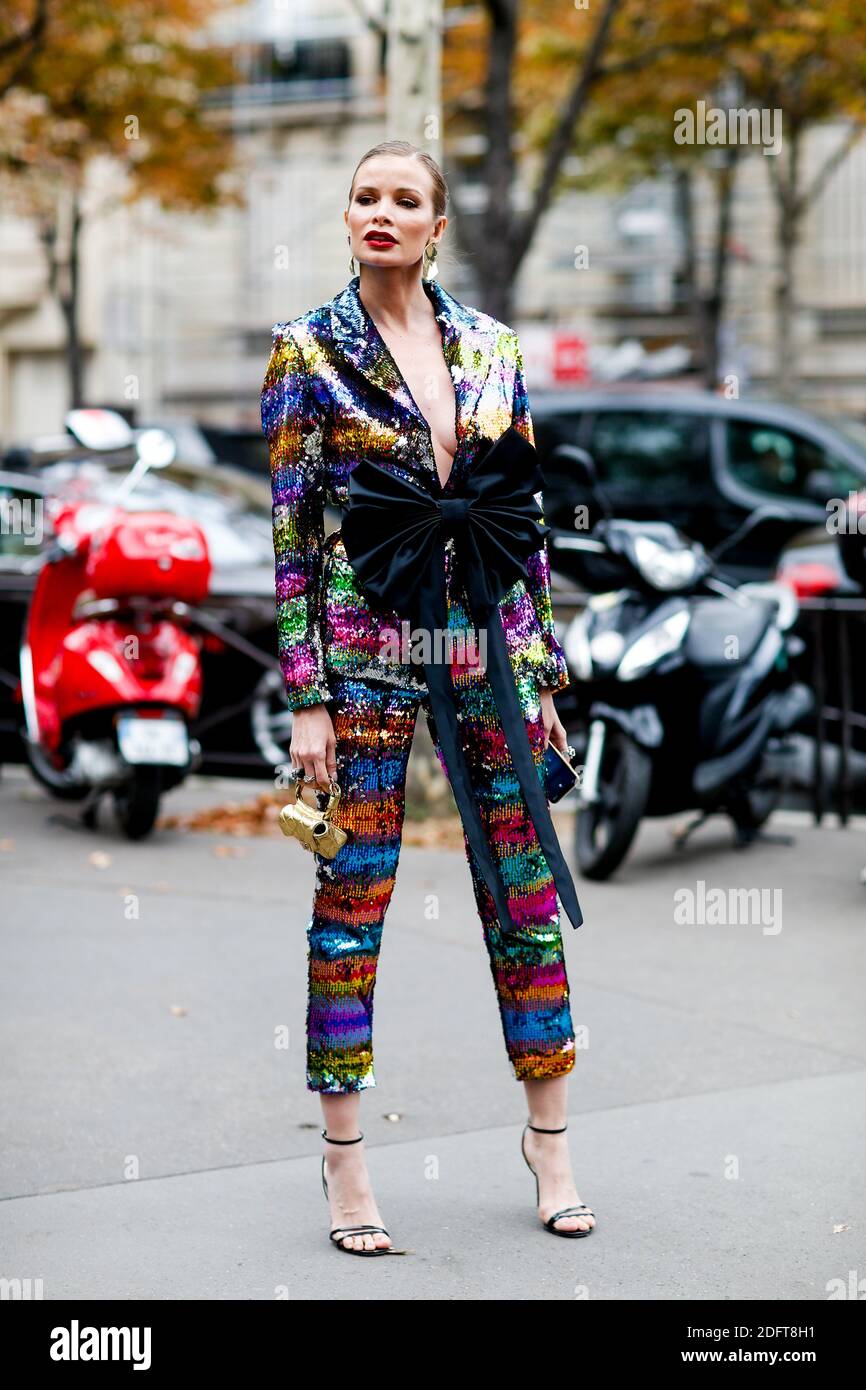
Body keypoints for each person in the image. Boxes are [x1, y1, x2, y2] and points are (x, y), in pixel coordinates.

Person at [261, 139, 595, 1255]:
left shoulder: (494, 349)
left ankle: (548, 1141)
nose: (381, 213)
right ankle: (345, 1162)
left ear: (436, 224)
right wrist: (304, 692)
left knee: (521, 888)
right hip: (361, 658)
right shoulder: (305, 351)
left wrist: (538, 671)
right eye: (364, 196)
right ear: (347, 213)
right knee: (352, 897)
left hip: (482, 652)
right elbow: (295, 536)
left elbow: (520, 522)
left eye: (404, 199)